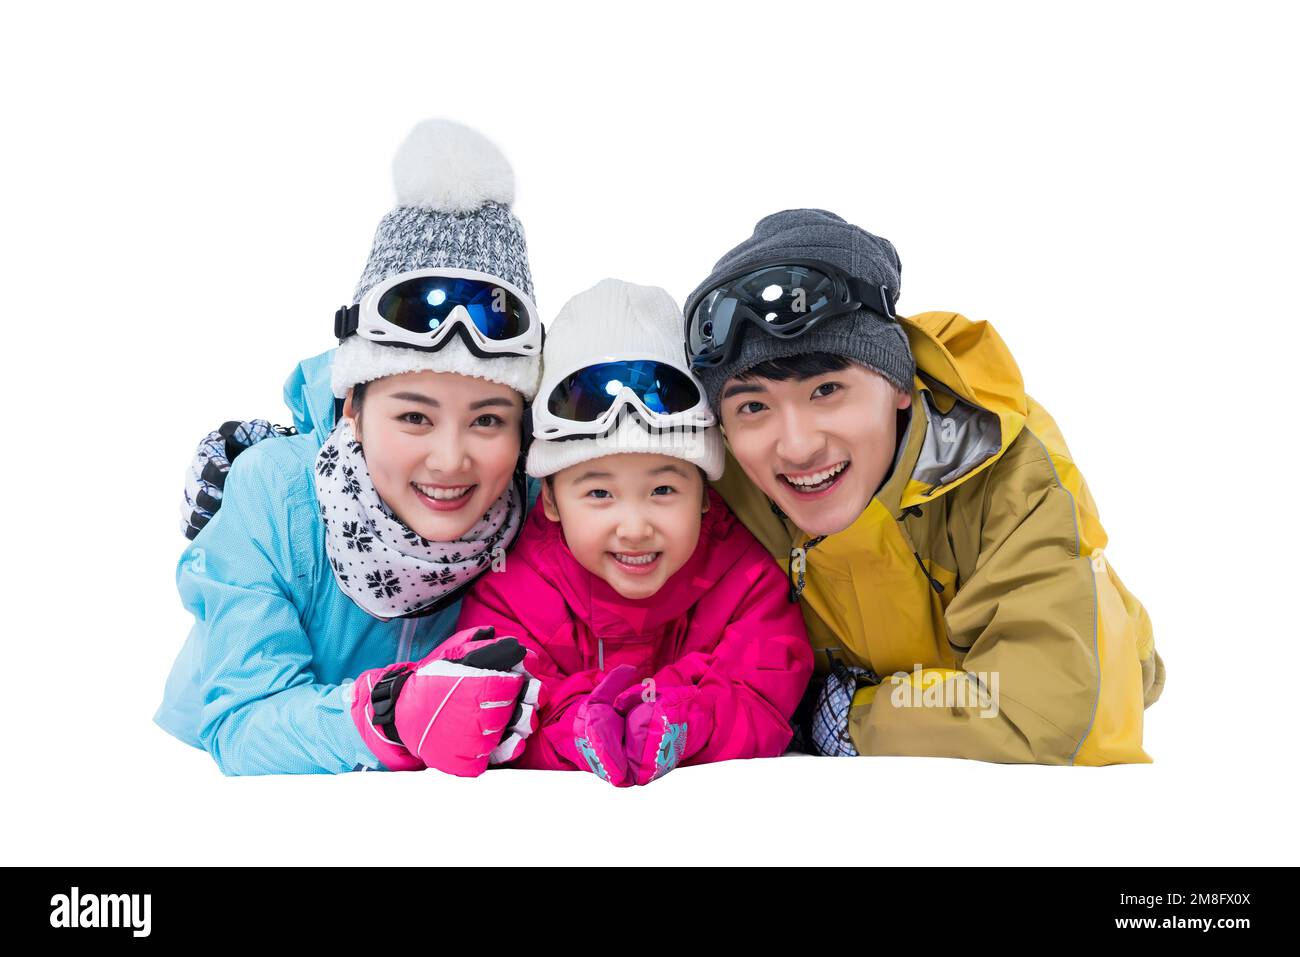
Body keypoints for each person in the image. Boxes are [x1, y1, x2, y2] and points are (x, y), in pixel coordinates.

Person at [686, 208, 1165, 765]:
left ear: (899, 387)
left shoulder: (1010, 476)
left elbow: (1054, 724)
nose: (796, 446)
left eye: (827, 390)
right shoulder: (720, 497)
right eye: (752, 406)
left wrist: (845, 717)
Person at [154, 120, 545, 775]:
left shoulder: (540, 502)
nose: (451, 459)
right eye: (415, 417)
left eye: (487, 421)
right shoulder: (270, 493)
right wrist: (390, 713)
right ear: (353, 411)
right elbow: (242, 720)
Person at [453, 279, 813, 786]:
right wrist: (572, 727)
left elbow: (765, 694)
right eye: (599, 494)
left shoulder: (747, 580)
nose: (635, 526)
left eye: (664, 490)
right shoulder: (513, 588)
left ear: (706, 495)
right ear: (552, 500)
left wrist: (692, 721)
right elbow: (499, 700)